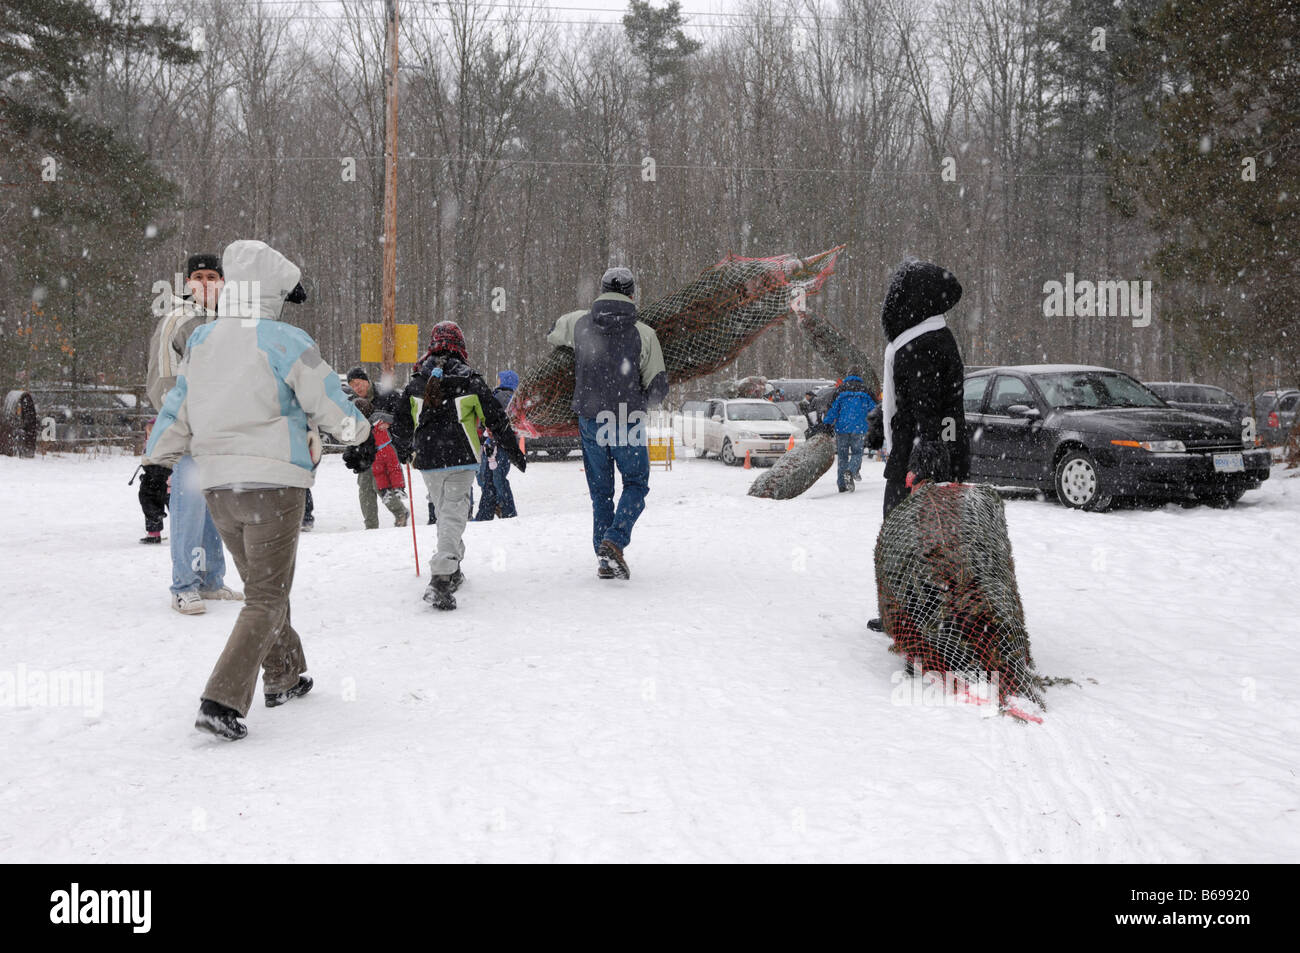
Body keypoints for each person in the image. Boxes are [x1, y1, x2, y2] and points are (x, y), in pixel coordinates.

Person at [144, 239, 370, 740]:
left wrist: (157, 462)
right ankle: (221, 700)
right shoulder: (286, 340)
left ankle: (284, 675)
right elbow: (329, 400)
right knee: (267, 596)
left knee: (263, 591)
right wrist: (363, 436)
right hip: (273, 484)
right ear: (272, 291)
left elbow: (176, 407)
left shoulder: (202, 341)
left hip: (218, 486)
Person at [391, 322, 526, 610]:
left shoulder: (416, 382)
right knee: (454, 514)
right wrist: (513, 450)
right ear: (460, 346)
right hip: (461, 458)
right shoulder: (470, 381)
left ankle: (453, 569)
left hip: (426, 461)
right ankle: (440, 577)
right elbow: (496, 419)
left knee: (447, 513)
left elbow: (401, 424)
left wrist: (403, 449)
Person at [546, 267, 667, 580]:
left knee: (601, 493)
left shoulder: (578, 322)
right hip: (627, 420)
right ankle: (614, 541)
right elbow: (658, 387)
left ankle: (605, 556)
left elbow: (552, 334)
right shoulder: (645, 333)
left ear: (600, 292)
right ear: (631, 295)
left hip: (590, 419)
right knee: (636, 484)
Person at [867, 258, 967, 631]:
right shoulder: (923, 341)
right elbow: (912, 401)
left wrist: (927, 454)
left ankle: (918, 618)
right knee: (903, 535)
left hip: (920, 461)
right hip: (914, 453)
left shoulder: (924, 345)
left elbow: (936, 409)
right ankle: (904, 613)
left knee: (913, 538)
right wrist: (884, 421)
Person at [144, 252, 241, 613]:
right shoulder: (177, 320)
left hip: (223, 435)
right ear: (187, 283)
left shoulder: (229, 321)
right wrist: (186, 424)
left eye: (212, 277)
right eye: (198, 277)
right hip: (190, 434)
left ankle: (211, 579)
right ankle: (183, 585)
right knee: (189, 511)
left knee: (218, 511)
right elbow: (164, 382)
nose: (205, 283)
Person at [343, 366, 409, 528]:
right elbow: (347, 431)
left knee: (379, 485)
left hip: (385, 448)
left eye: (359, 383)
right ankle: (371, 525)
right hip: (364, 451)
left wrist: (388, 422)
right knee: (365, 487)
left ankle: (400, 512)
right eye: (353, 386)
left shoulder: (386, 395)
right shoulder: (351, 403)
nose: (357, 388)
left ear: (367, 380)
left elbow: (403, 419)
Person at [474, 369, 520, 521]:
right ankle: (491, 512)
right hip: (498, 444)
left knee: (494, 479)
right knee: (492, 479)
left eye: (500, 379)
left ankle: (505, 512)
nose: (498, 381)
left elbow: (491, 418)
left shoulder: (501, 396)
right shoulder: (512, 397)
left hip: (496, 444)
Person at [822, 367, 877, 492]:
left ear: (847, 375)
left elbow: (833, 410)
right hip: (860, 428)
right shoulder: (866, 391)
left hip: (842, 428)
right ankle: (851, 471)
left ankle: (842, 485)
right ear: (859, 376)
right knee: (857, 453)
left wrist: (826, 423)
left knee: (842, 457)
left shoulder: (840, 390)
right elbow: (874, 409)